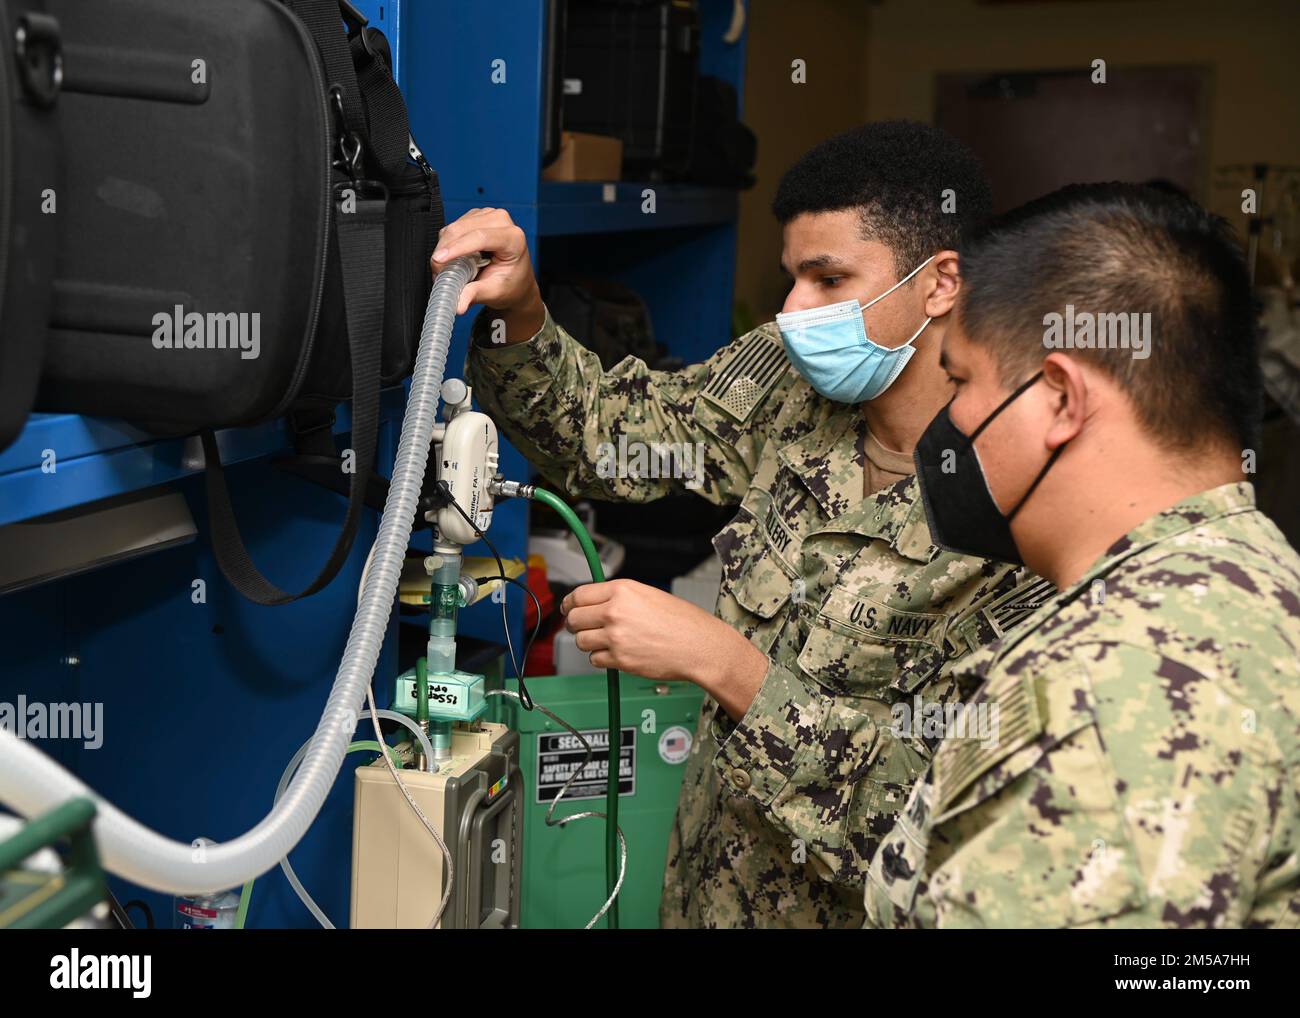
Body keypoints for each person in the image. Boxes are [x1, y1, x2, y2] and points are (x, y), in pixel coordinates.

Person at [433, 122, 1049, 928]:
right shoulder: (791, 381)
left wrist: (725, 665)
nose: (795, 311)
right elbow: (611, 440)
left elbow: (933, 832)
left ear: (940, 284)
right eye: (791, 277)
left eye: (829, 280)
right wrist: (519, 308)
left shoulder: (1030, 506)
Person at [865, 182, 1300, 928]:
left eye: (961, 382)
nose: (950, 422)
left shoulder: (1116, 684)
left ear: (1062, 398)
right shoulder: (1255, 578)